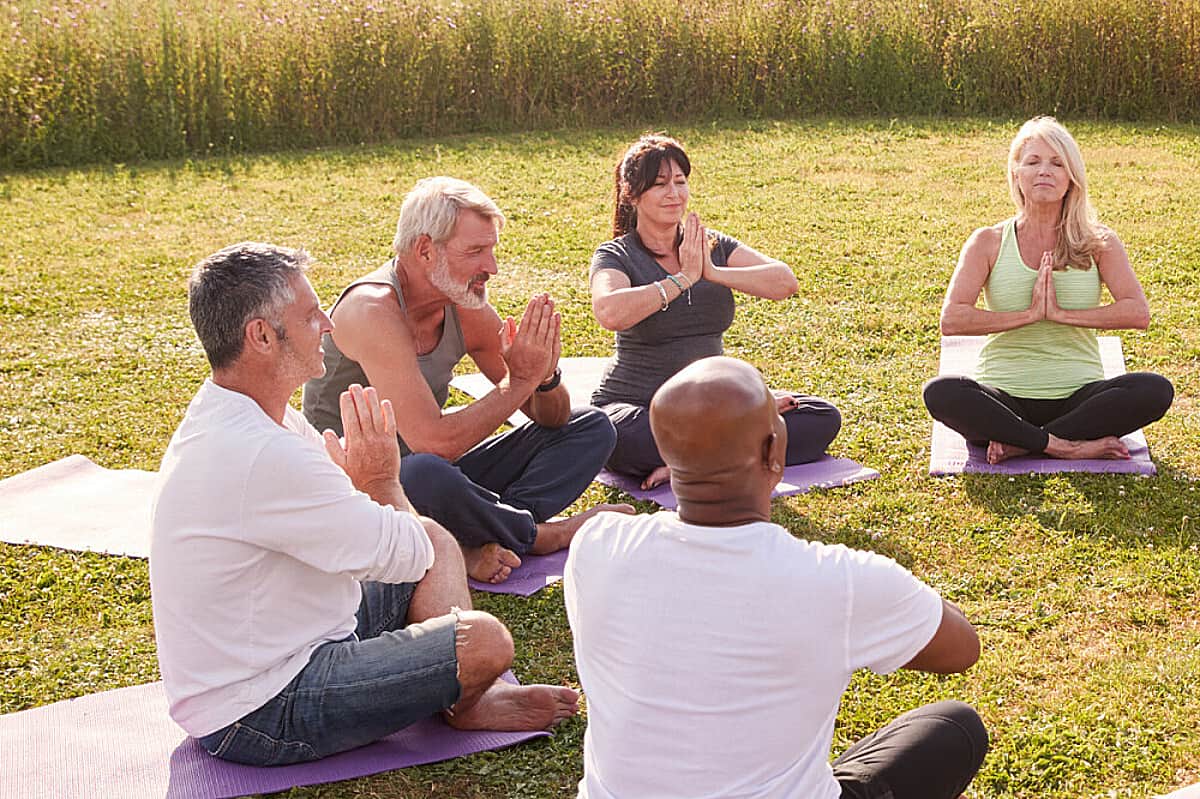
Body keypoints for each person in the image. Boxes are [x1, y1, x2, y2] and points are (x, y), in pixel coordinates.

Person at [151, 242, 577, 766]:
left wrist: (368, 491)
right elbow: (404, 552)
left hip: (294, 640)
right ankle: (462, 697)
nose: (328, 325)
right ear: (261, 336)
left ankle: (459, 693)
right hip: (258, 711)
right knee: (483, 640)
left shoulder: (245, 411)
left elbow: (390, 536)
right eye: (311, 315)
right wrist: (380, 481)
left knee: (439, 537)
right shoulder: (260, 451)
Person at [565, 355, 987, 799]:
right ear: (774, 451)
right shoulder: (838, 579)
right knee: (953, 729)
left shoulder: (596, 543)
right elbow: (960, 648)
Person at [303, 177, 630, 584]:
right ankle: (540, 535)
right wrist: (519, 381)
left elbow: (552, 418)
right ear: (425, 250)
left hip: (437, 481)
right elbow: (434, 441)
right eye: (475, 251)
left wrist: (544, 378)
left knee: (592, 427)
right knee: (424, 471)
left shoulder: (462, 300)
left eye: (491, 250)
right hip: (361, 491)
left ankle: (486, 534)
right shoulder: (371, 311)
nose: (490, 267)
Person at [589, 133, 842, 490]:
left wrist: (712, 273)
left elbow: (785, 281)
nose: (674, 194)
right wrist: (681, 280)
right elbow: (609, 311)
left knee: (820, 418)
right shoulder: (617, 255)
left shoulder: (710, 246)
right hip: (639, 407)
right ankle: (727, 455)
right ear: (633, 194)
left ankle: (691, 463)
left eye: (680, 182)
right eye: (660, 184)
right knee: (613, 435)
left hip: (711, 407)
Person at [924, 116, 1173, 464]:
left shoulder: (1098, 242)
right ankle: (1066, 445)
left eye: (1057, 163)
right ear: (1016, 173)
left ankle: (1024, 443)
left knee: (1154, 389)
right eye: (1033, 161)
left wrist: (1061, 315)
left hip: (1080, 396)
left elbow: (1137, 312)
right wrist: (1027, 316)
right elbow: (951, 319)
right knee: (942, 392)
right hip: (1003, 397)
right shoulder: (988, 241)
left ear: (1071, 178)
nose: (1045, 171)